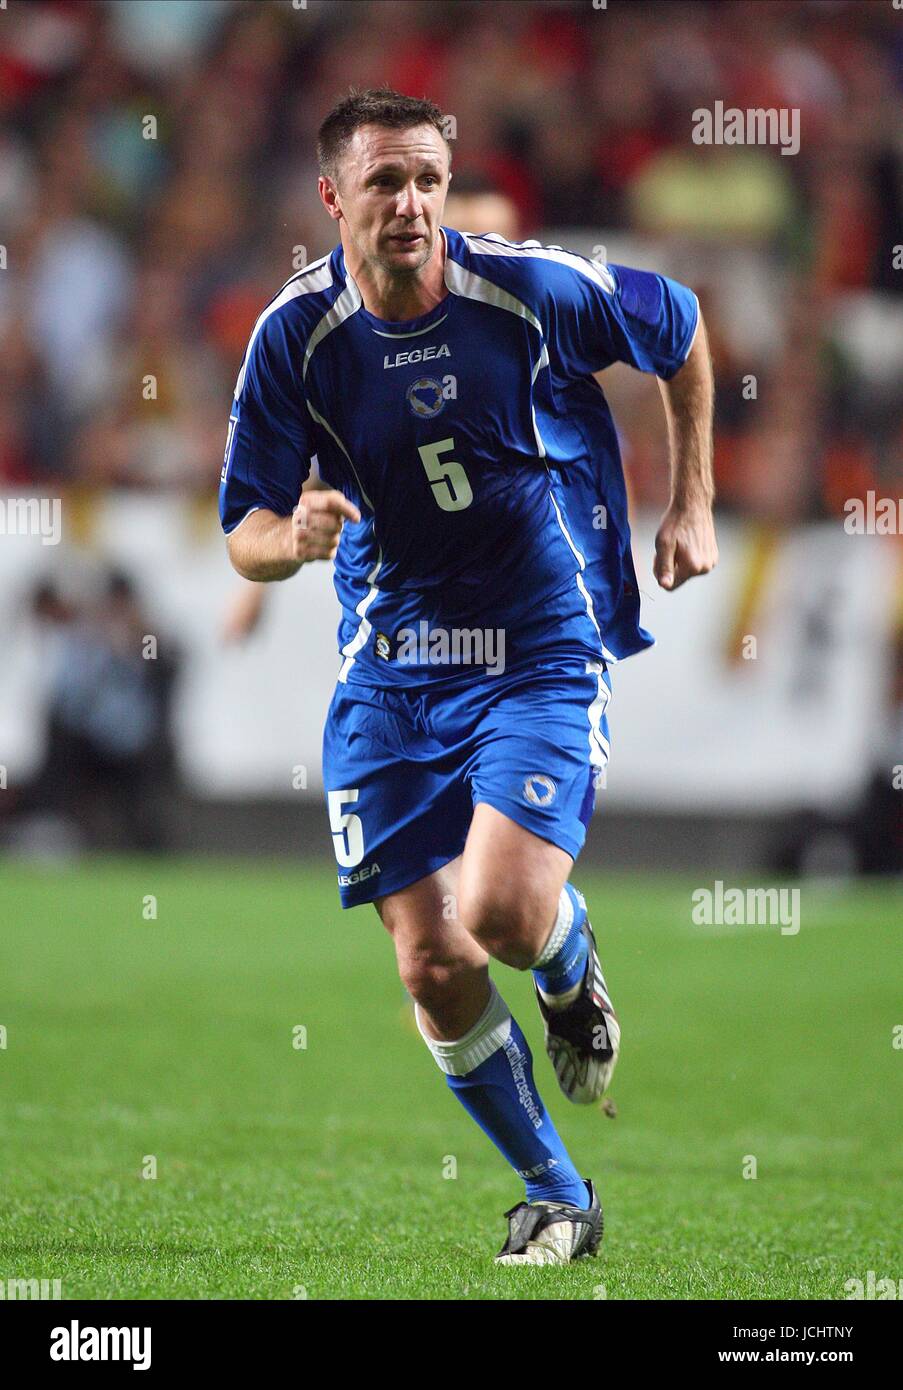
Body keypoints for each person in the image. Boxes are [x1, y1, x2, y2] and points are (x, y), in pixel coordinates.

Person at [220, 88, 717, 1265]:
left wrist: (694, 498)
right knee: (431, 961)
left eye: (428, 180)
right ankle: (559, 1192)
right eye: (386, 182)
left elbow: (683, 326)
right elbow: (240, 521)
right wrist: (287, 541)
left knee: (498, 912)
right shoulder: (293, 339)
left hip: (535, 648)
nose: (412, 204)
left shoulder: (524, 290)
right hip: (390, 671)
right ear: (334, 199)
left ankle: (569, 961)